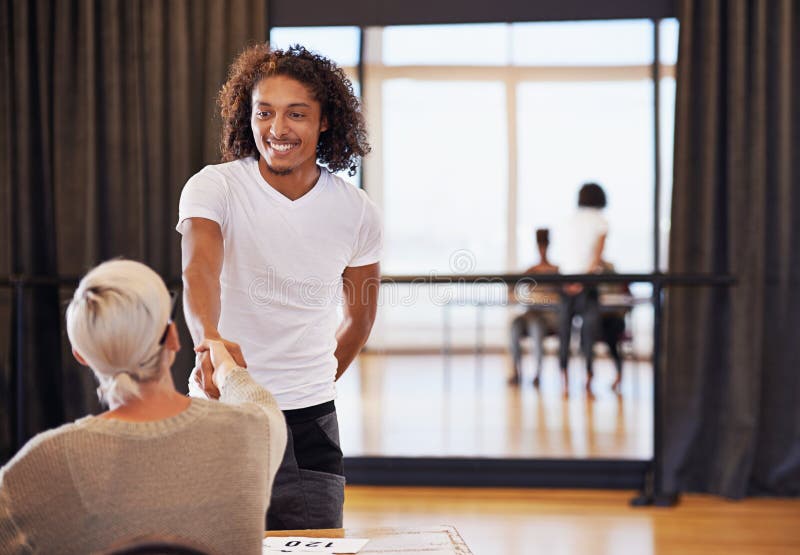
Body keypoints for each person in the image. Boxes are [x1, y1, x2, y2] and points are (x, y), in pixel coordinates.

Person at [177, 44, 381, 530]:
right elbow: (199, 269)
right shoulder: (215, 187)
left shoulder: (356, 211)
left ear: (325, 121)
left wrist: (315, 377)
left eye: (296, 114)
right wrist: (209, 338)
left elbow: (360, 317)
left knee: (316, 544)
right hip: (221, 410)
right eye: (264, 112)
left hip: (310, 422)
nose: (277, 129)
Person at [0, 260, 287, 555]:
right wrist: (228, 370)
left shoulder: (42, 464)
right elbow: (259, 403)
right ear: (173, 338)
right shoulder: (254, 431)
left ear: (82, 355)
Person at [558, 183, 609, 398]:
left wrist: (569, 282)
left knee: (564, 333)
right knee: (588, 333)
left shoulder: (569, 220)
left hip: (565, 280)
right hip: (586, 284)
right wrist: (582, 281)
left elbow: (563, 254)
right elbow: (596, 257)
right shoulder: (601, 222)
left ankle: (565, 380)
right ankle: (588, 378)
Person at [508, 228, 559, 386]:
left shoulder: (555, 271)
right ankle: (516, 370)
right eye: (540, 246)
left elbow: (561, 297)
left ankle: (538, 371)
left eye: (544, 245)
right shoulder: (530, 271)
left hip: (548, 316)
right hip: (531, 312)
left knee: (536, 326)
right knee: (515, 325)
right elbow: (512, 292)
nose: (542, 250)